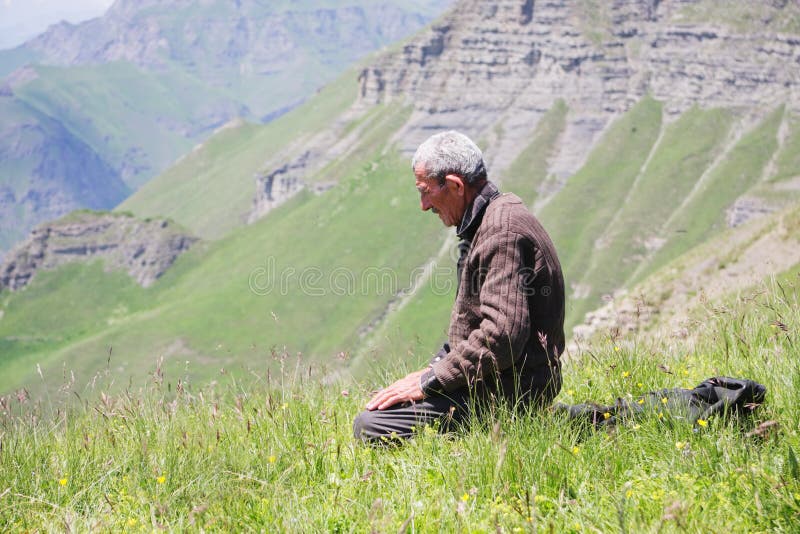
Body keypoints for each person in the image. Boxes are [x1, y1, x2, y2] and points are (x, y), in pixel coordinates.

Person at [353, 131, 565, 442]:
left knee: (371, 427)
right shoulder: (488, 221)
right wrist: (433, 371)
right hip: (493, 383)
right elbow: (475, 328)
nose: (424, 205)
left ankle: (555, 422)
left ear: (454, 185)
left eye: (426, 192)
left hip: (513, 393)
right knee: (382, 408)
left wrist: (432, 381)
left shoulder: (501, 232)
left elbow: (501, 337)